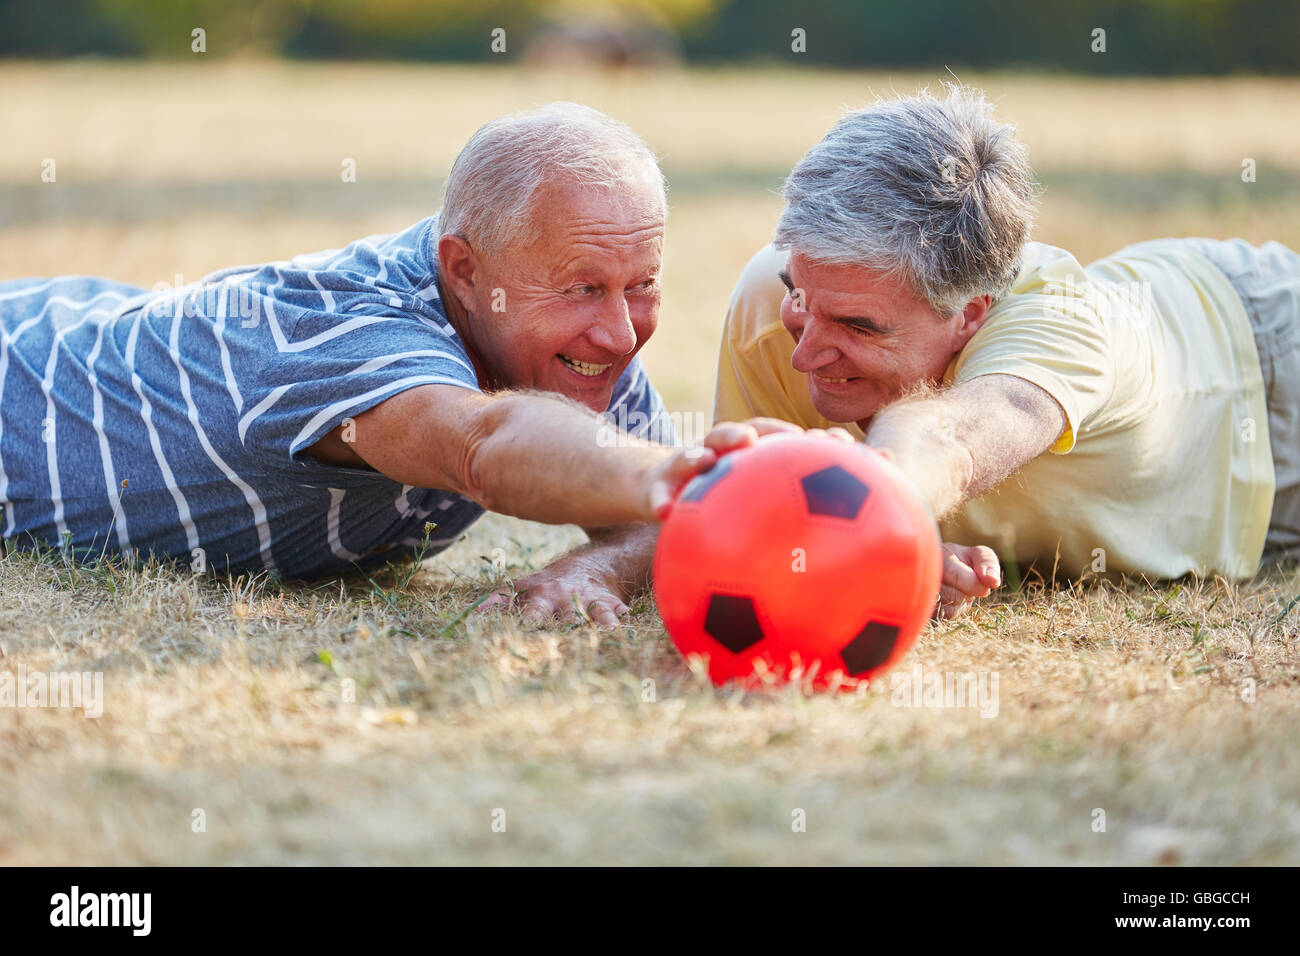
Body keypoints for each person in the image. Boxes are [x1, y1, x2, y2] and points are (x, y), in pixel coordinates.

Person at [0, 101, 764, 628]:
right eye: (582, 289)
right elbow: (484, 445)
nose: (623, 334)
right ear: (463, 270)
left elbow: (645, 510)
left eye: (643, 285)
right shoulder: (351, 325)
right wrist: (670, 479)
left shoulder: (574, 339)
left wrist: (600, 564)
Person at [714, 84, 1300, 618]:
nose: (804, 355)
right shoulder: (780, 293)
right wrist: (907, 542)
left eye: (859, 328)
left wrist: (877, 532)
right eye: (800, 298)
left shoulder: (1063, 323)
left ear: (971, 313)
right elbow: (734, 509)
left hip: (1266, 367)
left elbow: (949, 440)